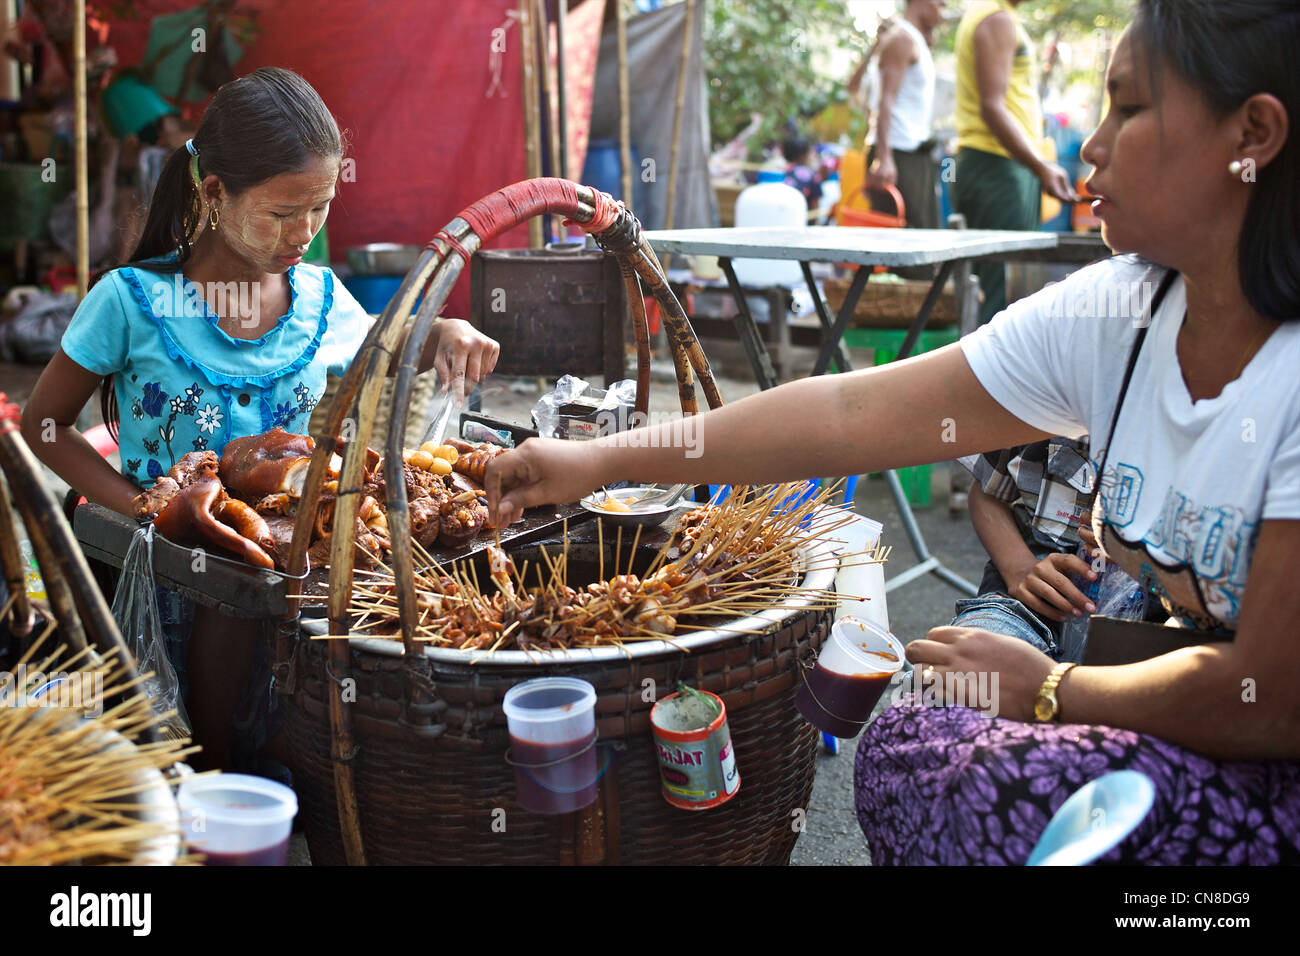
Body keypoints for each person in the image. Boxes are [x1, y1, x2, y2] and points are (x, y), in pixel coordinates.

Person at [486, 0, 1300, 864]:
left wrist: (1057, 692)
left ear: (1252, 135)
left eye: (1130, 109)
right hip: (1162, 674)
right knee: (916, 728)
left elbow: (1275, 695)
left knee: (998, 790)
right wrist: (593, 461)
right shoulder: (1125, 310)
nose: (1093, 146)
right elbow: (846, 415)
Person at [20, 67, 500, 771]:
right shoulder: (133, 302)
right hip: (171, 596)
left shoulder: (322, 301)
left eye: (320, 208)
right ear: (214, 192)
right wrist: (143, 508)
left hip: (294, 592)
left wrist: (444, 333)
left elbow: (392, 341)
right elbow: (45, 426)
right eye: (280, 214)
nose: (302, 234)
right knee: (201, 752)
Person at [952, 0, 1079, 324]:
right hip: (998, 168)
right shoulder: (996, 20)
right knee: (1001, 294)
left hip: (994, 165)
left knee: (991, 288)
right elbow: (992, 108)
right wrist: (1041, 166)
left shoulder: (988, 16)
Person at [862, 0, 945, 236]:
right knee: (899, 246)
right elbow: (884, 101)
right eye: (940, 4)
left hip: (912, 153)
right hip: (896, 155)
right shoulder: (902, 39)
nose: (942, 12)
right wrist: (884, 158)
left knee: (922, 241)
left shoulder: (915, 41)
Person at [781, 136, 821, 210]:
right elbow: (814, 205)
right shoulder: (812, 176)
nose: (812, 156)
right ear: (802, 155)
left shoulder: (779, 170)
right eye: (810, 152)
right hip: (800, 219)